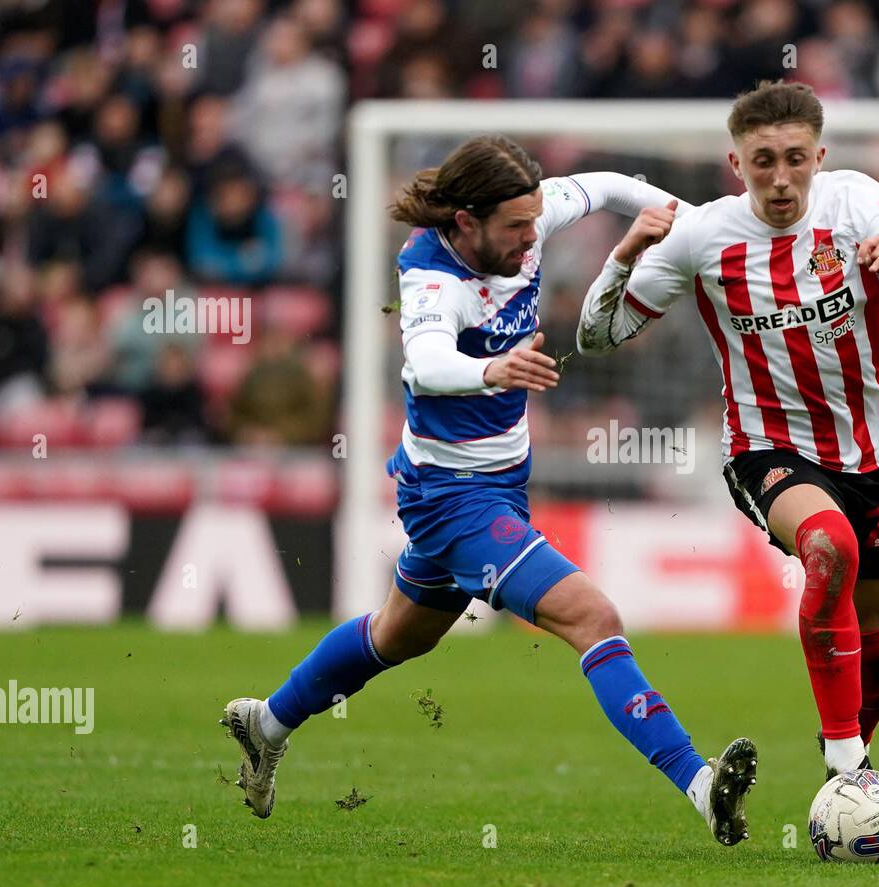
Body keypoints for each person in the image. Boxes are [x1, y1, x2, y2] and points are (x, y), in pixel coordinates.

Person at [222, 136, 757, 847]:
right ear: (466, 221)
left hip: (500, 485)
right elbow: (426, 363)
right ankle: (699, 782)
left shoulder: (525, 221)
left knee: (394, 638)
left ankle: (267, 723)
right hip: (452, 496)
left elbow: (605, 185)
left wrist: (693, 225)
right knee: (591, 616)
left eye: (535, 221)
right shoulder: (430, 273)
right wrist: (493, 370)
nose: (532, 238)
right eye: (515, 228)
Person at [577, 81, 879, 841]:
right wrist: (622, 257)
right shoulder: (702, 237)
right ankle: (849, 774)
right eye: (764, 161)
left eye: (796, 159)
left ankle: (854, 779)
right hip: (765, 449)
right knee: (830, 550)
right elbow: (599, 339)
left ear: (820, 157)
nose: (782, 177)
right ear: (737, 162)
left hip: (871, 454)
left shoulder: (857, 202)